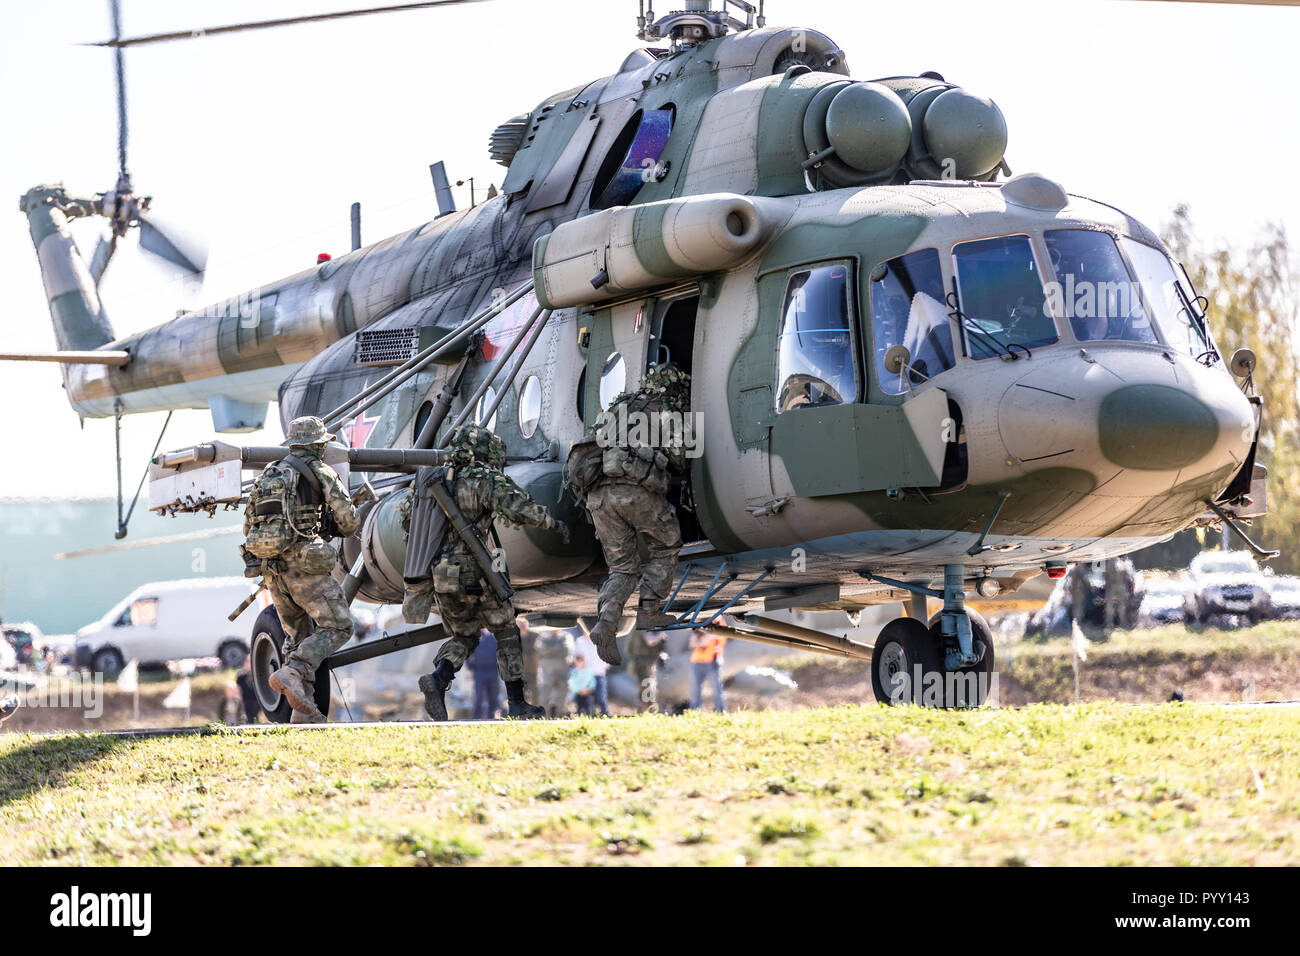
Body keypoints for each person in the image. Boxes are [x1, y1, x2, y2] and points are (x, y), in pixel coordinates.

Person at [414, 424, 569, 722]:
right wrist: (551, 523)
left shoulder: (432, 482)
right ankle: (517, 703)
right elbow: (517, 508)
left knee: (465, 634)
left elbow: (412, 524)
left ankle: (438, 677)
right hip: (475, 571)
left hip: (441, 573)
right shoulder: (482, 479)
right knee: (507, 631)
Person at [245, 416, 361, 725]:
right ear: (319, 445)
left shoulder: (269, 474)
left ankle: (303, 711)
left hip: (271, 570)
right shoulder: (322, 472)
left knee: (298, 636)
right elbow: (349, 524)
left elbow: (248, 524)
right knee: (338, 626)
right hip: (304, 568)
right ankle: (293, 671)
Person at [578, 363, 690, 666]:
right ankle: (650, 611)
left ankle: (606, 623)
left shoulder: (617, 407)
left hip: (598, 496)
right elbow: (680, 457)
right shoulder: (665, 409)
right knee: (666, 546)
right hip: (634, 493)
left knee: (623, 569)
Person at [535, 626, 575, 718]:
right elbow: (540, 650)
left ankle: (559, 716)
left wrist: (550, 649)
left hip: (562, 671)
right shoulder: (543, 637)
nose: (554, 629)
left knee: (562, 695)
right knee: (544, 695)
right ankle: (543, 716)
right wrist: (557, 648)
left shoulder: (566, 636)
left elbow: (566, 650)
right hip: (547, 672)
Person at [624, 628, 667, 714]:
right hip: (644, 663)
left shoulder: (639, 626)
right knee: (647, 688)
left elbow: (628, 649)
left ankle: (643, 711)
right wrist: (660, 636)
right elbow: (650, 641)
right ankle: (649, 711)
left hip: (643, 662)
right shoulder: (643, 625)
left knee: (644, 688)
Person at [573, 624, 610, 716]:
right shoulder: (579, 641)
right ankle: (587, 715)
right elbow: (576, 658)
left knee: (601, 697)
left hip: (598, 673)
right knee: (585, 699)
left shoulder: (601, 641)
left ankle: (605, 714)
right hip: (585, 676)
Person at [467, 627, 501, 719]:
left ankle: (491, 716)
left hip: (493, 671)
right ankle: (476, 717)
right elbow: (468, 652)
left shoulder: (495, 638)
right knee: (479, 697)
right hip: (479, 671)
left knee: (493, 697)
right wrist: (470, 667)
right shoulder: (476, 636)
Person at [688, 629, 726, 712]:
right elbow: (692, 643)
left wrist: (699, 641)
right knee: (695, 689)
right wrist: (700, 641)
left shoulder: (718, 623)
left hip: (712, 661)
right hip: (697, 661)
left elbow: (706, 641)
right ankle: (695, 711)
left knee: (717, 688)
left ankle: (720, 710)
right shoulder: (699, 625)